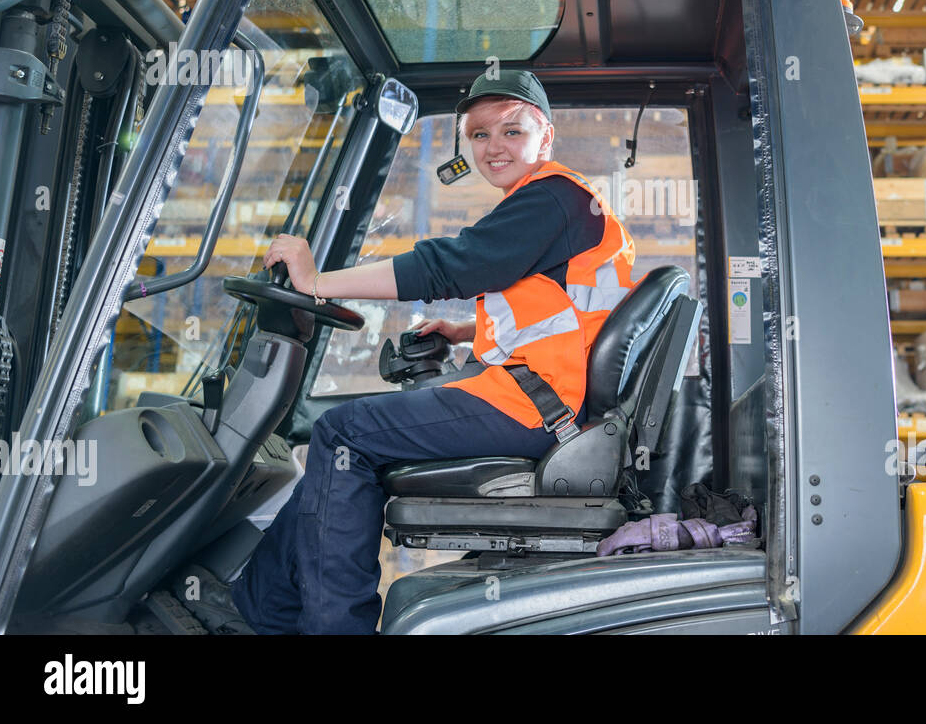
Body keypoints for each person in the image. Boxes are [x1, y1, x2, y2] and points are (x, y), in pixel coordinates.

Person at [228, 69, 635, 634]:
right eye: (479, 135)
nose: (495, 147)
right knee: (340, 443)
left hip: (535, 405)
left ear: (545, 136)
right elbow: (570, 309)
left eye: (512, 132)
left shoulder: (553, 198)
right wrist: (465, 332)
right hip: (545, 397)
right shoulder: (558, 204)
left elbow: (452, 266)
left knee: (341, 434)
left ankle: (325, 626)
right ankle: (260, 613)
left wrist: (316, 281)